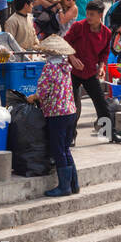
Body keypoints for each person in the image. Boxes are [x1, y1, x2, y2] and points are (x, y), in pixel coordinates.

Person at [29, 34, 79, 197]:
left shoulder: (49, 67)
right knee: (65, 148)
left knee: (58, 150)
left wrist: (33, 97)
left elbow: (43, 91)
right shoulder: (66, 67)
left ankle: (64, 187)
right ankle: (74, 184)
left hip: (57, 113)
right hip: (70, 111)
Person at [64, 0, 113, 144]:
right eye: (87, 14)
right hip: (73, 71)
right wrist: (72, 58)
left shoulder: (106, 33)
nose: (89, 17)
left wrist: (102, 67)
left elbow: (104, 52)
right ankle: (70, 136)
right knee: (72, 105)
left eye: (92, 15)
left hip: (90, 72)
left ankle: (109, 133)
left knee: (101, 103)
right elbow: (64, 43)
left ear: (100, 15)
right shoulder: (78, 26)